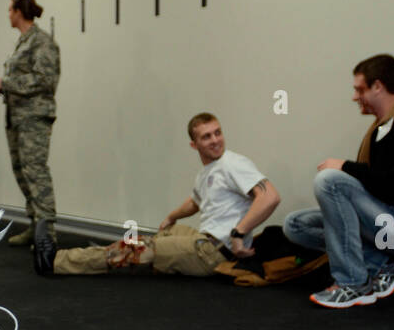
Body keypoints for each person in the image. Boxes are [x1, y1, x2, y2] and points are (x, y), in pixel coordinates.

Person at [33, 114, 279, 278]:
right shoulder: (209, 171)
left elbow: (269, 197)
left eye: (217, 133)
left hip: (214, 253)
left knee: (135, 248)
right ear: (194, 145)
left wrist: (238, 233)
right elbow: (195, 201)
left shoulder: (233, 163)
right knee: (151, 236)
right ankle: (107, 252)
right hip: (205, 238)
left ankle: (56, 260)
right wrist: (171, 217)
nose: (215, 140)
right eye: (207, 136)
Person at [283, 55, 394, 309]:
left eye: (359, 89)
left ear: (378, 86)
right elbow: (379, 187)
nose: (355, 96)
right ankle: (382, 259)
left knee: (330, 180)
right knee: (295, 224)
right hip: (388, 223)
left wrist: (346, 167)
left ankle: (353, 283)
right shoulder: (379, 129)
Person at [0, 0, 60, 246]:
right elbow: (23, 80)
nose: (8, 15)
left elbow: (45, 79)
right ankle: (34, 224)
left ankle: (47, 232)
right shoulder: (24, 41)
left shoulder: (42, 42)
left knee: (36, 172)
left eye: (10, 10)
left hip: (34, 118)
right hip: (16, 117)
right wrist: (1, 86)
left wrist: (7, 82)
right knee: (22, 172)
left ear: (18, 12)